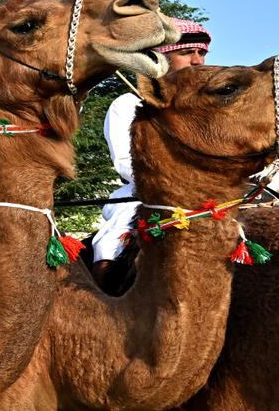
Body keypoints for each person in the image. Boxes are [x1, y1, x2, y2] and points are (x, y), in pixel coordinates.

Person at [91, 19, 212, 283]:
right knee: (110, 244)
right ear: (161, 58)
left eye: (201, 53)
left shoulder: (210, 108)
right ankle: (104, 297)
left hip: (212, 196)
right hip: (141, 196)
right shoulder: (129, 103)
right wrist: (179, 182)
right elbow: (125, 162)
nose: (197, 61)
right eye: (186, 53)